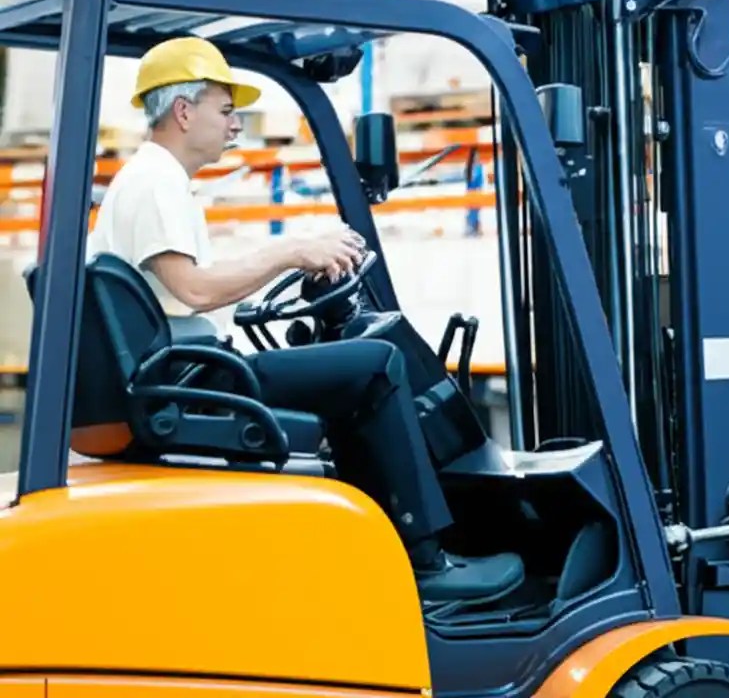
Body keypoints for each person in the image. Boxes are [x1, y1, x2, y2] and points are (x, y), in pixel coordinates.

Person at [86, 36, 522, 606]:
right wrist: (291, 252)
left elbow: (193, 292)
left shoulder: (153, 180)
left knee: (347, 378)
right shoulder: (155, 182)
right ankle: (425, 562)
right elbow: (192, 289)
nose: (235, 126)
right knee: (376, 365)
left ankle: (378, 545)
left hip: (178, 371)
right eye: (225, 111)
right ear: (184, 111)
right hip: (187, 379)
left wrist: (294, 263)